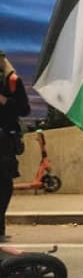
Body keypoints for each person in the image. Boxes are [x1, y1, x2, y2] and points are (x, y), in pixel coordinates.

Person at [0, 51, 30, 242]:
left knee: (4, 184)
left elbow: (25, 109)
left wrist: (5, 101)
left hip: (5, 141)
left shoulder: (12, 81)